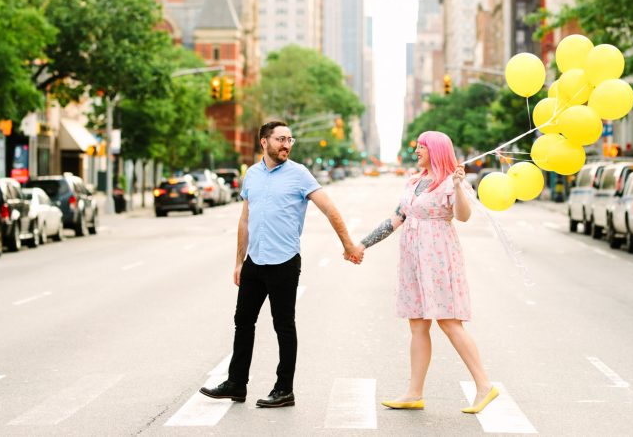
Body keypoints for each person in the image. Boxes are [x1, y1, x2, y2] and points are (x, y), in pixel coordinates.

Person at [200, 120, 365, 409]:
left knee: (283, 326)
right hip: (255, 260)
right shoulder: (252, 174)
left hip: (284, 262)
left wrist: (348, 244)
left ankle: (284, 388)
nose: (286, 144)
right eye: (280, 139)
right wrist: (240, 261)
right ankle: (237, 383)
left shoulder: (299, 174)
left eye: (289, 139)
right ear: (264, 142)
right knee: (243, 322)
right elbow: (245, 219)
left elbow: (330, 210)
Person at [357, 130, 499, 415]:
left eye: (421, 147)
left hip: (437, 257)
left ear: (435, 150)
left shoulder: (450, 182)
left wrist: (458, 186)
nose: (417, 151)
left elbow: (463, 216)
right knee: (418, 324)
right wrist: (361, 244)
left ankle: (484, 385)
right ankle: (414, 393)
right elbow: (396, 218)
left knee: (448, 321)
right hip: (412, 258)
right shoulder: (414, 182)